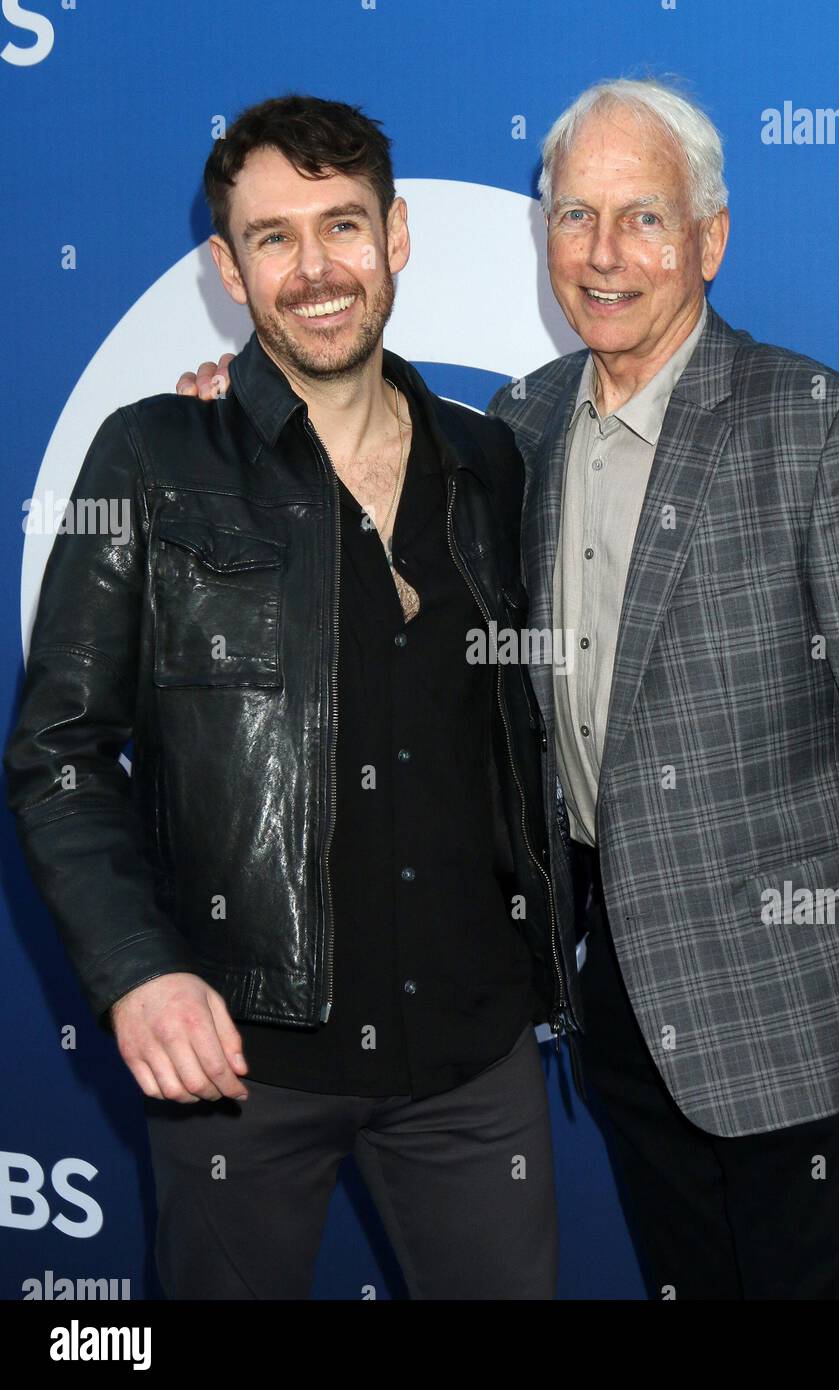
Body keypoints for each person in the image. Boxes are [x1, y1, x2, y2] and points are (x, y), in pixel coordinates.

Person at [179, 77, 839, 1301]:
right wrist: (237, 415)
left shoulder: (822, 431)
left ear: (710, 238)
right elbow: (359, 454)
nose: (603, 255)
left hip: (793, 1017)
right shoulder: (521, 425)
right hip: (609, 1005)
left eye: (642, 217)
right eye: (573, 216)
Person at [4, 93, 568, 1300]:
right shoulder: (153, 456)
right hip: (239, 1061)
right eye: (273, 238)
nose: (315, 270)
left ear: (397, 235)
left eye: (342, 227)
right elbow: (58, 753)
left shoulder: (490, 462)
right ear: (228, 267)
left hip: (474, 1057)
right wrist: (136, 969)